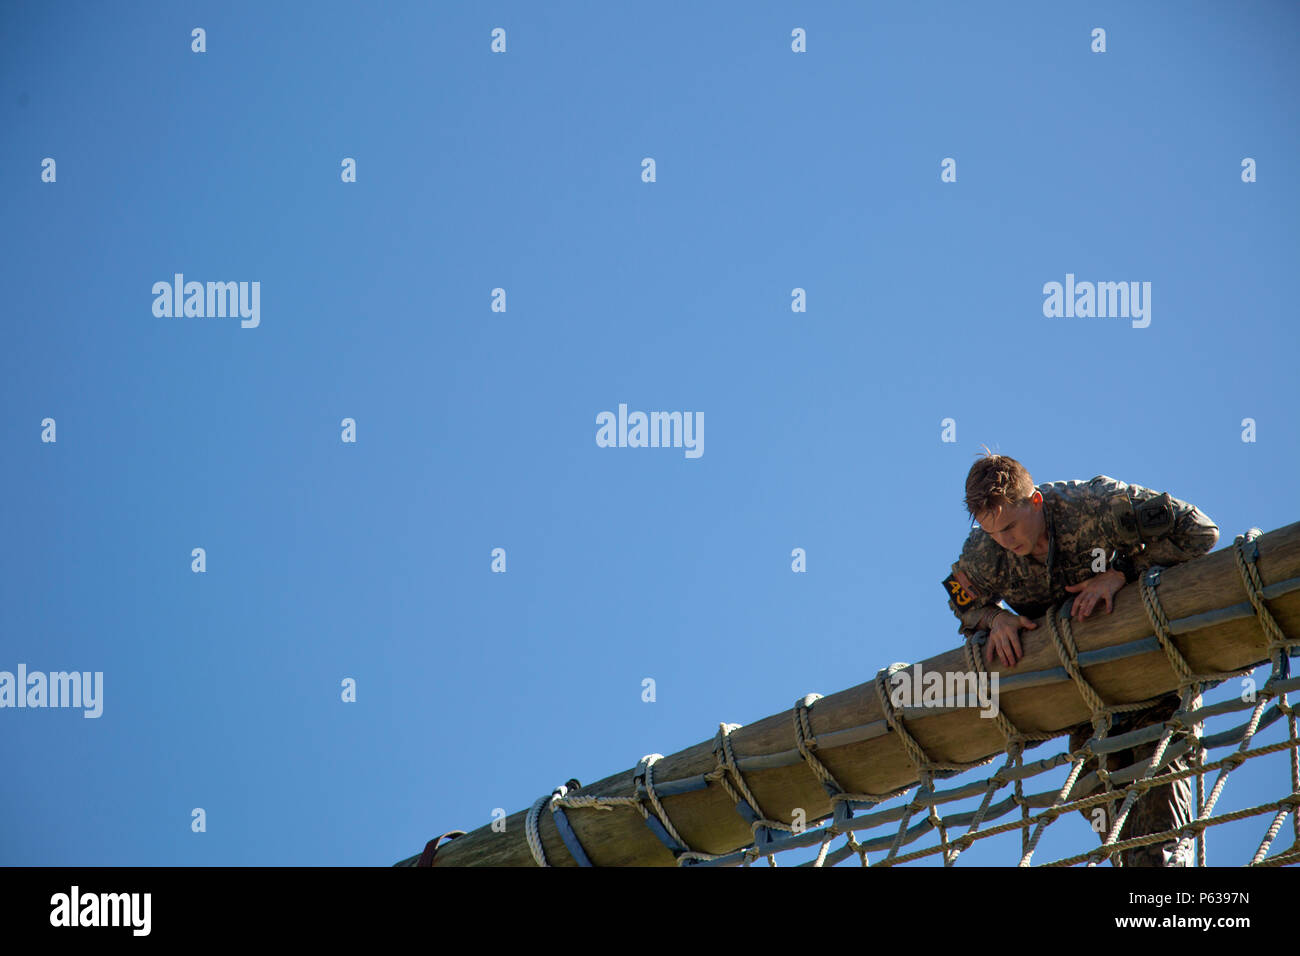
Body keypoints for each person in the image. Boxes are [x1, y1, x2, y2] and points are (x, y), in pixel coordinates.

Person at [943, 451, 1219, 866]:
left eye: (1010, 527)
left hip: (1153, 686)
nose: (1005, 540)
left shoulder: (1094, 504)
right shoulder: (986, 551)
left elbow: (1200, 532)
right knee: (1116, 838)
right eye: (992, 531)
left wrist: (1123, 572)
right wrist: (994, 618)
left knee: (1162, 841)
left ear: (1035, 501)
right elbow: (960, 600)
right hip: (1089, 711)